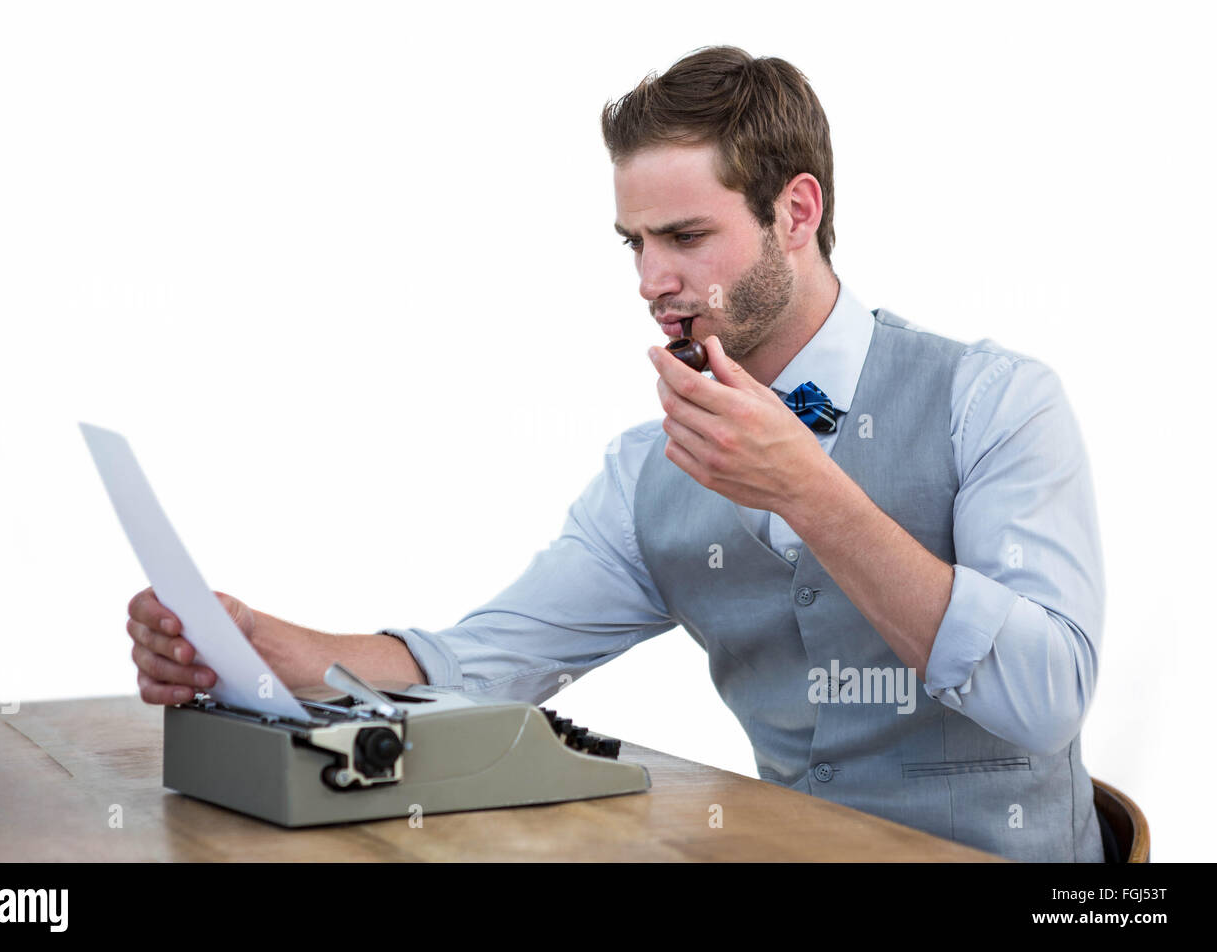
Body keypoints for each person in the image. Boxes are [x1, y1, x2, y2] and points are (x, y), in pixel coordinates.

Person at [126, 46, 1105, 862]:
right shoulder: (650, 469)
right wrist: (282, 652)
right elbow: (487, 663)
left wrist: (810, 490)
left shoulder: (993, 401)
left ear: (795, 213)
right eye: (631, 242)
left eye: (685, 235)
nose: (650, 280)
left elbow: (1046, 696)